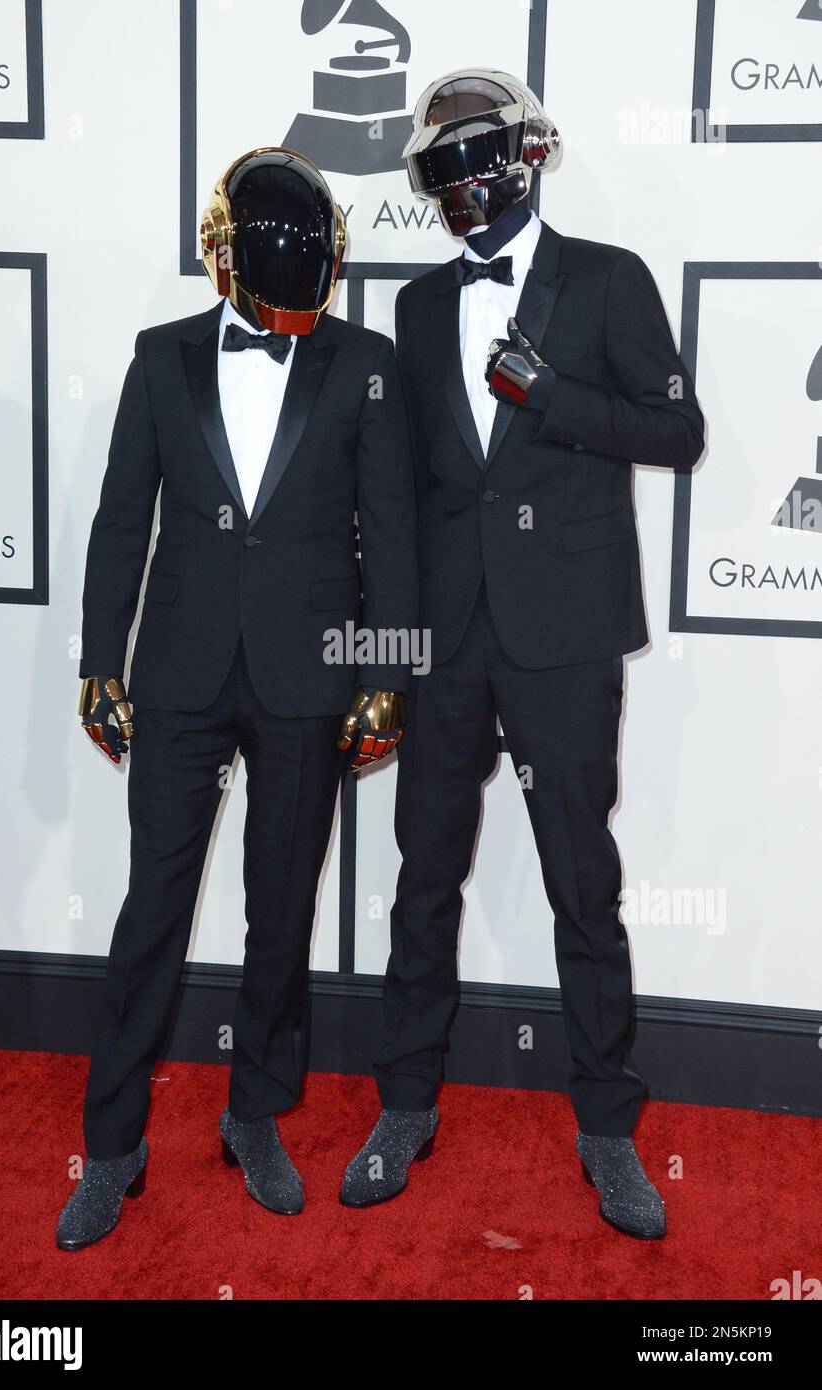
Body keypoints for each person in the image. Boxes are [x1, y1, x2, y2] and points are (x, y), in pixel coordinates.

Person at [340, 71, 705, 1239]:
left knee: (580, 884)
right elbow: (399, 493)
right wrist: (386, 654)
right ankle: (404, 1107)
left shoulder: (607, 278)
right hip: (445, 640)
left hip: (562, 638)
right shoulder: (410, 304)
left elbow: (677, 428)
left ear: (523, 155)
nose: (456, 188)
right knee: (420, 881)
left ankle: (608, 1130)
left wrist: (554, 399)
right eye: (435, 167)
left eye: (469, 160)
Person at [57, 148, 417, 1250]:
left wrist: (387, 675)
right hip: (179, 672)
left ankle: (254, 1114)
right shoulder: (159, 358)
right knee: (149, 913)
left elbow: (391, 532)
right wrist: (98, 658)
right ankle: (112, 1149)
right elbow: (126, 520)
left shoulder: (368, 362)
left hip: (309, 676)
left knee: (281, 910)